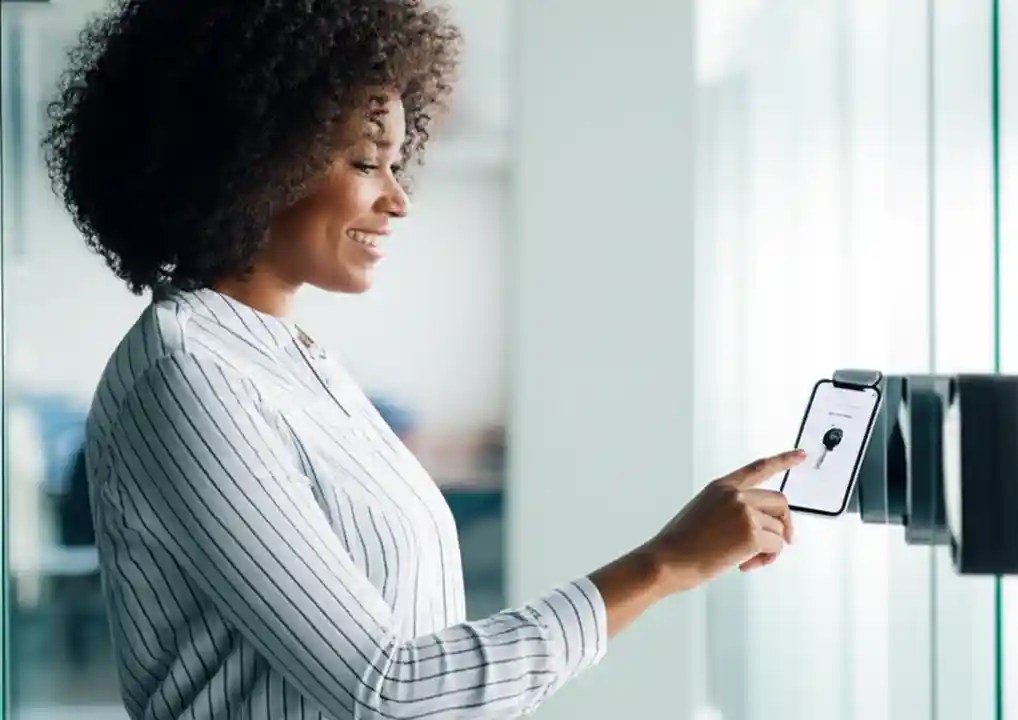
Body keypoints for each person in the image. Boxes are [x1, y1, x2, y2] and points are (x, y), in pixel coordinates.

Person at [43, 2, 804, 718]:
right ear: (251, 159)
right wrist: (665, 565)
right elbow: (387, 686)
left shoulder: (290, 359)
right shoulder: (189, 377)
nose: (399, 199)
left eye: (398, 163)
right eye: (367, 163)